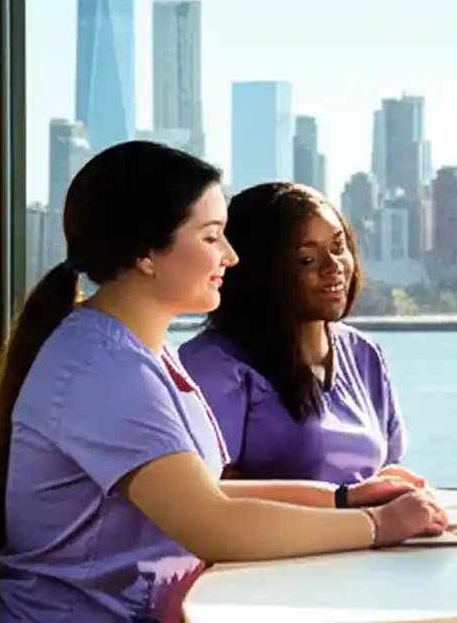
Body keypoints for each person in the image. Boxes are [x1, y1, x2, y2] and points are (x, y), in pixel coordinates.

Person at [0, 142, 447, 623]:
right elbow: (211, 525)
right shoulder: (102, 368)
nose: (232, 256)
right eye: (212, 237)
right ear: (146, 255)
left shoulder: (141, 355)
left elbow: (204, 496)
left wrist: (343, 499)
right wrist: (376, 525)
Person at [179, 182, 419, 486]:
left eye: (338, 247)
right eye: (307, 259)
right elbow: (209, 498)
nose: (334, 267)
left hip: (372, 532)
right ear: (260, 271)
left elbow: (386, 466)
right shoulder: (212, 366)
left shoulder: (363, 353)